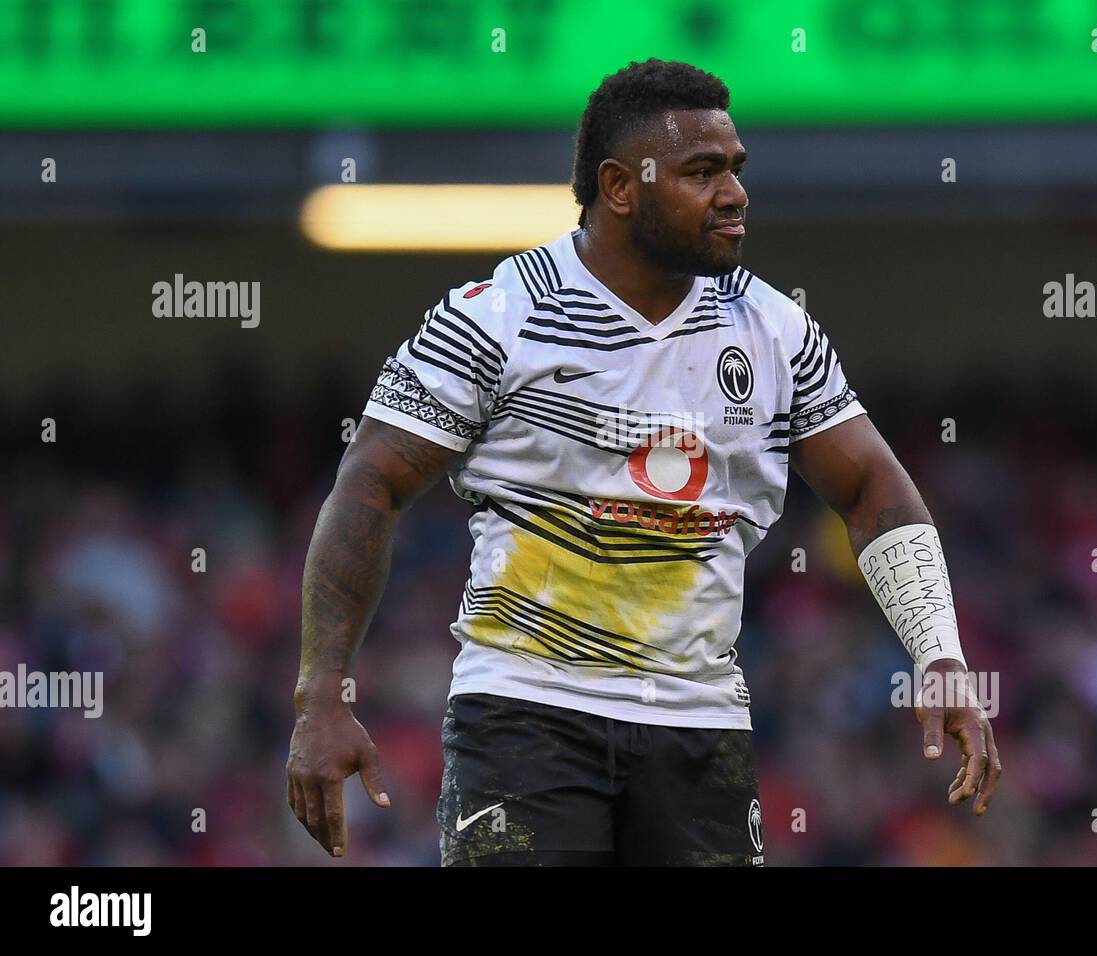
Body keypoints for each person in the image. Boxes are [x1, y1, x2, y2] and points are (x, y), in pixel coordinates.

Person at [287, 58, 1000, 866]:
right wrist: (321, 696)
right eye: (702, 173)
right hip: (526, 714)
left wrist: (939, 654)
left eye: (735, 170)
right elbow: (370, 483)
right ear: (620, 188)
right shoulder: (498, 319)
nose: (734, 194)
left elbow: (875, 489)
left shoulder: (776, 332)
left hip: (700, 726)